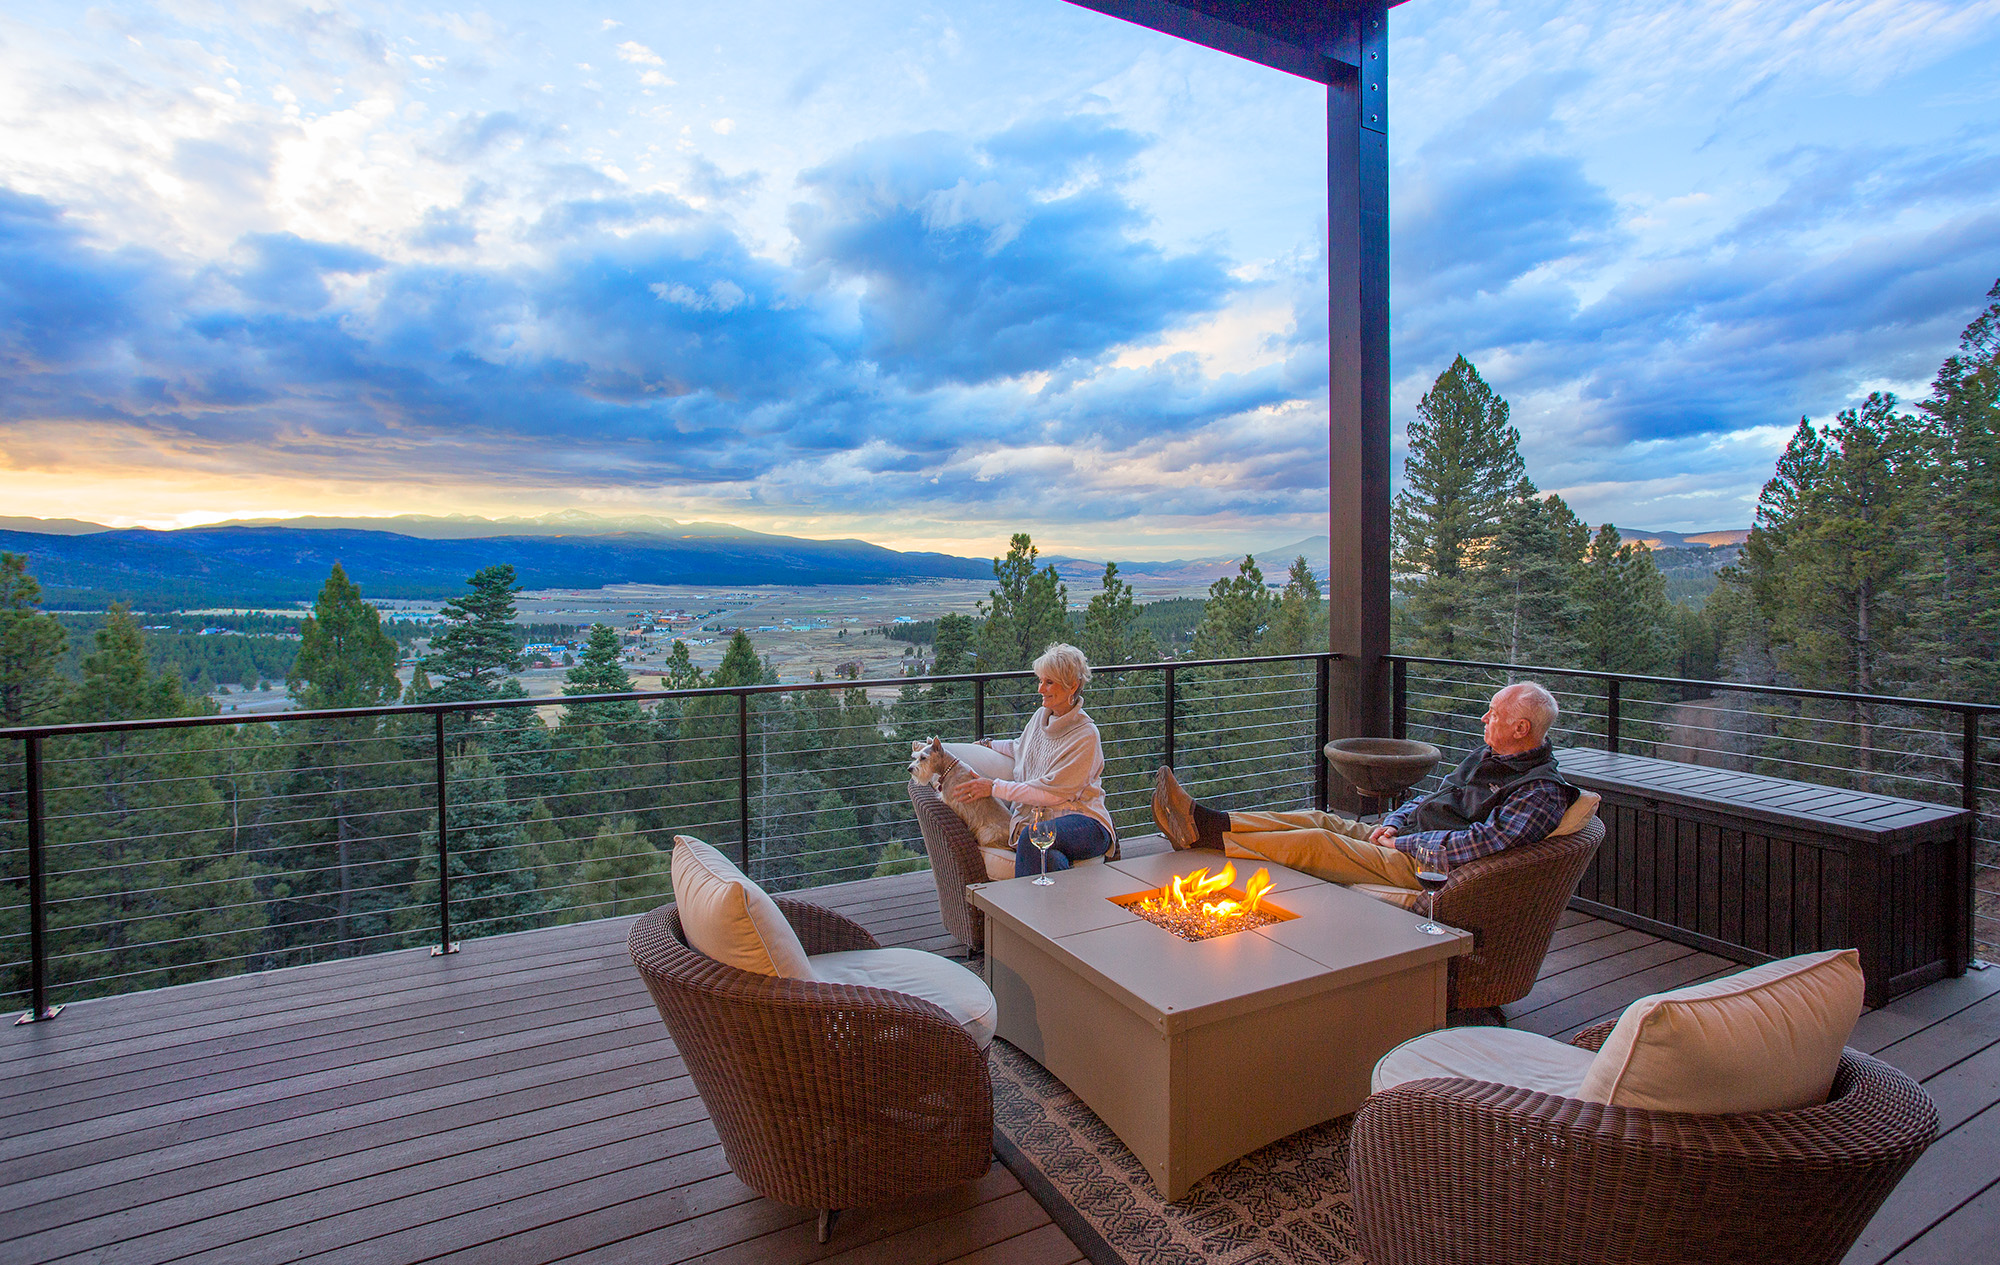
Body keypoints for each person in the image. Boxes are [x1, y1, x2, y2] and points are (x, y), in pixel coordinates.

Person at [1151, 681, 1578, 898]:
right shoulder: (1489, 758)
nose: (1484, 719)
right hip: (1404, 840)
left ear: (1521, 728)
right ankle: (1208, 822)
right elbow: (1431, 798)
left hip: (1426, 867)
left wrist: (1404, 840)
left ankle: (1206, 840)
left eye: (1494, 714)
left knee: (1317, 842)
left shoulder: (1539, 791)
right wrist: (1392, 821)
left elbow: (1481, 844)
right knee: (1318, 818)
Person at [949, 643, 1116, 876]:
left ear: (1073, 686)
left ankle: (1022, 909)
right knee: (1050, 858)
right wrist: (987, 744)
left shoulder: (1085, 735)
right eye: (1040, 680)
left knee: (1033, 835)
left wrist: (994, 787)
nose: (1040, 689)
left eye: (1049, 682)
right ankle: (1059, 910)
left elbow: (1053, 792)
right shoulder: (1041, 717)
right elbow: (1021, 747)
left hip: (1086, 824)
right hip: (1046, 822)